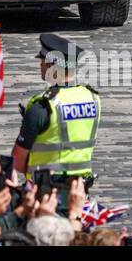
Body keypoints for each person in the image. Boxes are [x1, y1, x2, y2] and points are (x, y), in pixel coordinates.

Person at [11, 34, 100, 209]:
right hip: (79, 194)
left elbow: (18, 161)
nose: (40, 66)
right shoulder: (92, 98)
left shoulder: (43, 106)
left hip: (46, 197)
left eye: (43, 61)